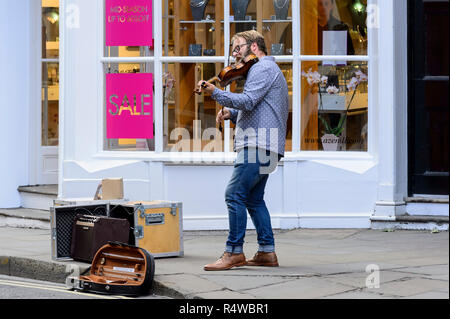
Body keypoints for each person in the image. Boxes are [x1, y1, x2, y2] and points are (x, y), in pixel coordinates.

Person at [197, 30, 289, 271]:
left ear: (255, 47)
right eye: (233, 48)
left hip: (259, 143)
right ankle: (267, 252)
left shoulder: (263, 69)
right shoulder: (263, 70)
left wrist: (215, 92)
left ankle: (234, 252)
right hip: (268, 144)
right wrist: (232, 113)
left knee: (234, 194)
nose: (235, 53)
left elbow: (248, 100)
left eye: (238, 47)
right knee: (253, 199)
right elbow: (258, 106)